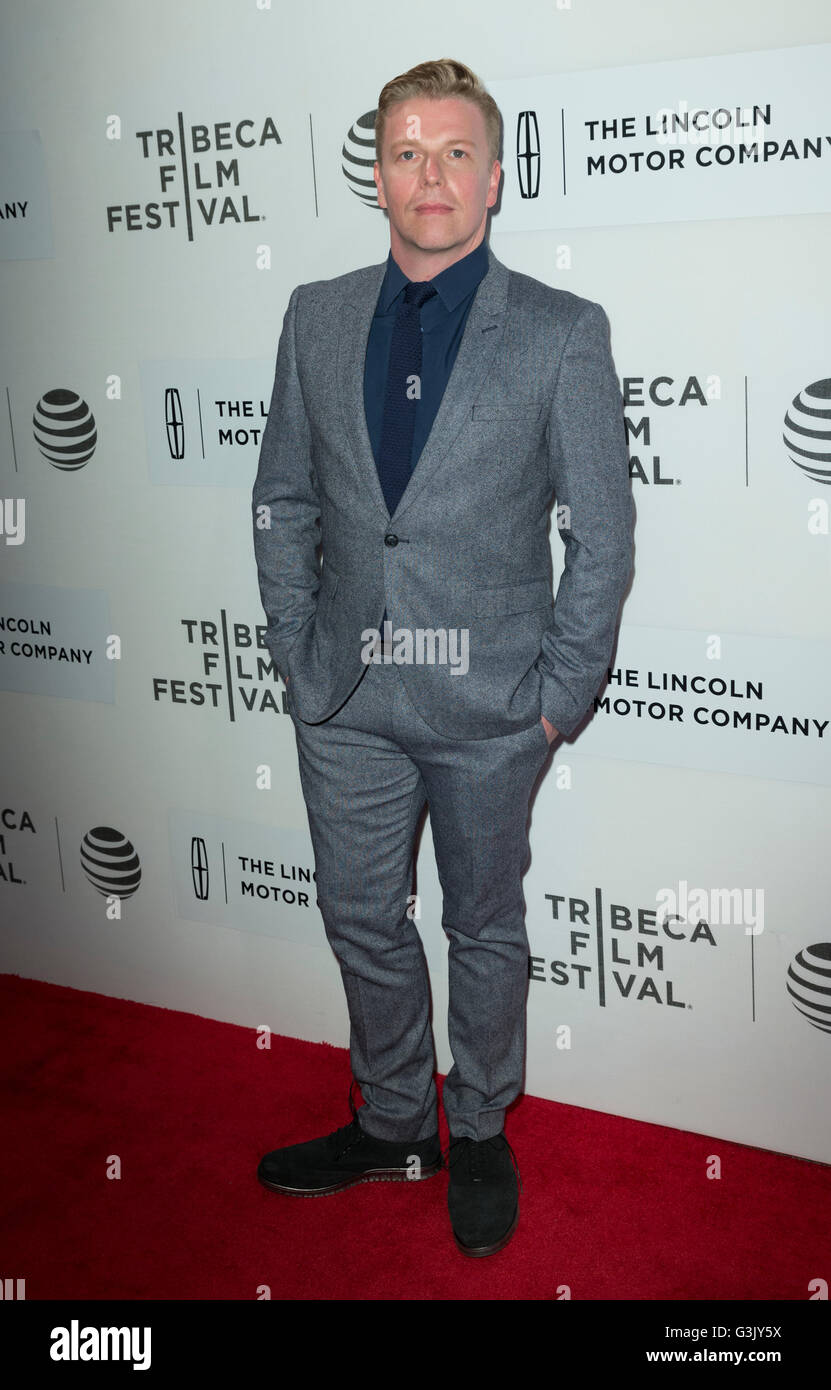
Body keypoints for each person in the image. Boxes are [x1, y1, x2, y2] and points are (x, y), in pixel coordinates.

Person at [251, 57, 634, 1257]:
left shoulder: (564, 333)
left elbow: (605, 540)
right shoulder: (314, 314)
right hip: (347, 700)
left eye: (456, 152)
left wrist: (557, 702)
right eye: (407, 150)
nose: (432, 174)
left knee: (483, 924)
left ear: (496, 177)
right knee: (363, 917)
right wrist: (298, 657)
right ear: (377, 173)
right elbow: (283, 499)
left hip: (489, 710)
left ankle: (477, 1128)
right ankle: (395, 1119)